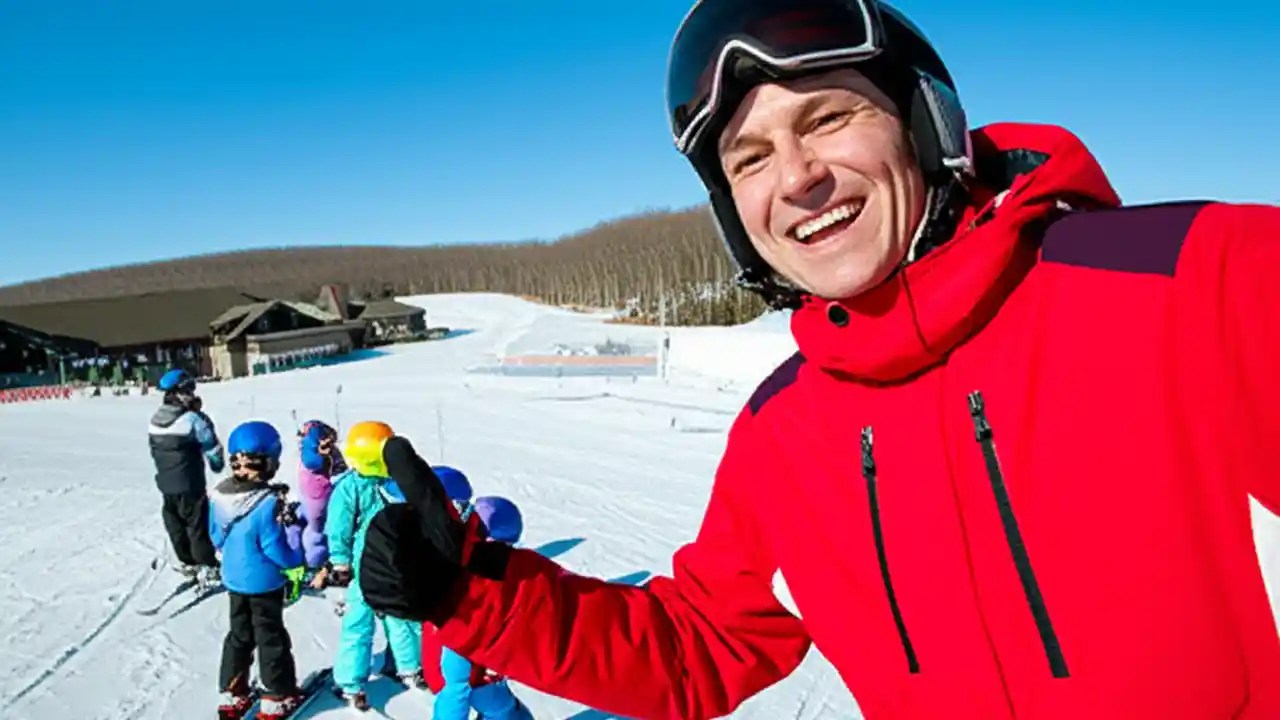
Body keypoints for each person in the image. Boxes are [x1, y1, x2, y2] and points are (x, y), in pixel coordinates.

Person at [356, 1, 1280, 718]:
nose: (796, 177)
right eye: (750, 158)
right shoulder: (784, 429)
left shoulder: (1206, 284)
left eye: (829, 118)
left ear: (927, 125)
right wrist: (477, 597)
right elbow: (701, 645)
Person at [325, 421, 426, 710]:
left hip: (365, 568)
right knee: (401, 620)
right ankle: (410, 667)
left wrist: (340, 562)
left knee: (358, 625)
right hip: (394, 567)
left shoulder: (349, 488)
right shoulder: (397, 482)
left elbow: (339, 527)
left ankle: (350, 682)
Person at [209, 420, 306, 720]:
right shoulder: (266, 502)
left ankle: (233, 692)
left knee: (239, 634)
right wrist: (296, 560)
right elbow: (273, 547)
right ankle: (277, 695)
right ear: (268, 462)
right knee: (270, 635)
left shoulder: (219, 495)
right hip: (264, 582)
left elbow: (215, 536)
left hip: (234, 580)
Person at [430, 496, 533, 720]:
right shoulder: (487, 578)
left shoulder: (454, 565)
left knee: (457, 692)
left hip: (455, 664)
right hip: (472, 670)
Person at [147, 367, 224, 585]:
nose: (193, 393)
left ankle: (187, 562)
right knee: (196, 524)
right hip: (190, 482)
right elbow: (211, 446)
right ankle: (208, 565)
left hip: (166, 484)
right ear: (178, 392)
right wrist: (217, 464)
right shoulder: (192, 420)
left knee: (175, 524)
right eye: (189, 388)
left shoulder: (154, 421)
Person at [295, 419, 346, 587]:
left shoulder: (325, 452)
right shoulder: (311, 456)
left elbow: (340, 469)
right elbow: (315, 462)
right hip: (317, 497)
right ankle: (314, 562)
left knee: (316, 524)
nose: (330, 447)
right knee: (317, 529)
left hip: (318, 494)